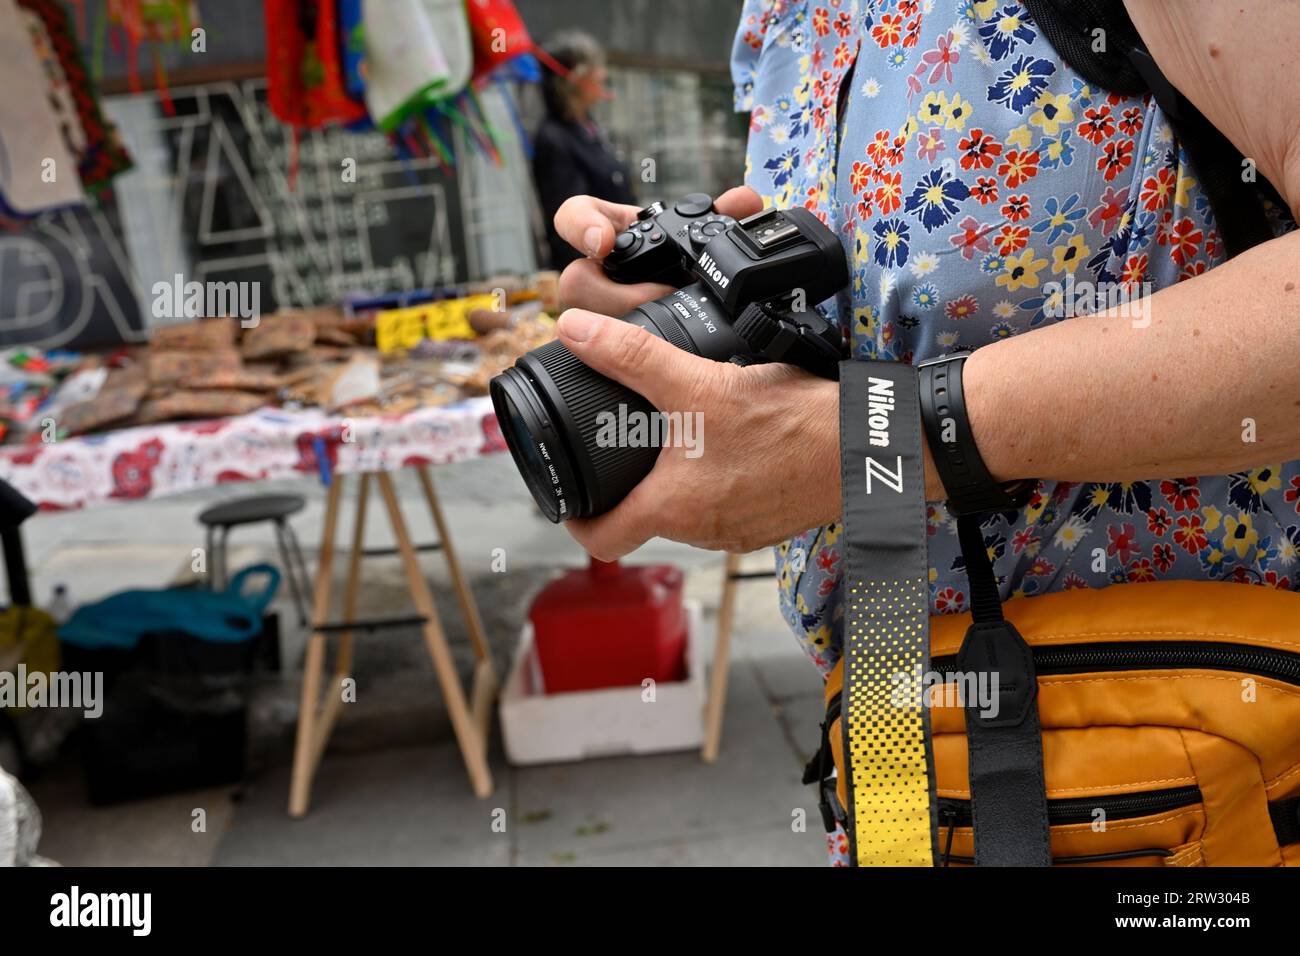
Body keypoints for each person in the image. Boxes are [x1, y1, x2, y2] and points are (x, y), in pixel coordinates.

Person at [545, 0, 1300, 864]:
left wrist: (871, 443)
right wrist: (697, 307)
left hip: (1201, 804)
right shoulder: (782, 15)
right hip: (902, 777)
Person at [531, 31, 635, 271]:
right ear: (574, 79)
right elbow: (569, 225)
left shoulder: (588, 126)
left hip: (622, 256)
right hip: (599, 267)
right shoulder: (553, 139)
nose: (602, 74)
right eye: (594, 68)